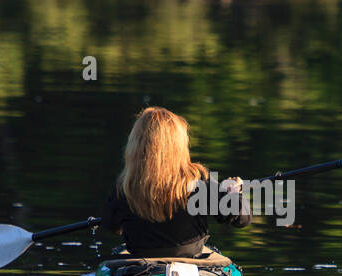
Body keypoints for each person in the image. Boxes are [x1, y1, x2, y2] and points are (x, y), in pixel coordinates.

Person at [101, 107, 250, 258]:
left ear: (136, 144)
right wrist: (232, 193)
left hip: (141, 260)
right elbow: (242, 219)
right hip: (191, 258)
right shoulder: (198, 180)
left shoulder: (125, 186)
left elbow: (111, 225)